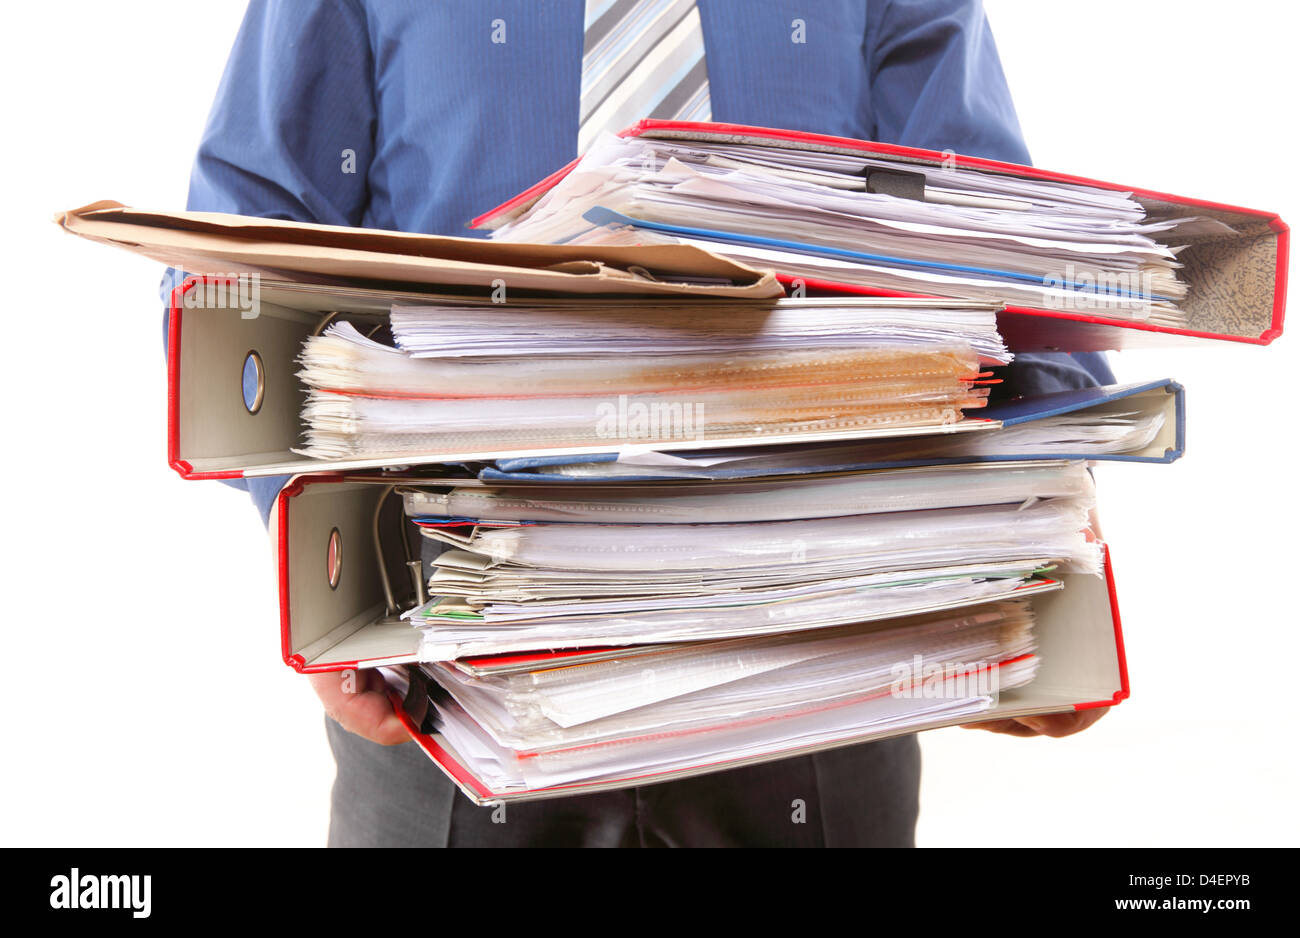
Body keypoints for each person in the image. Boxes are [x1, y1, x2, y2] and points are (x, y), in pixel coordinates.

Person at [170, 0, 1110, 847]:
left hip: (818, 687)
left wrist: (1045, 562)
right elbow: (245, 240)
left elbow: (992, 240)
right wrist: (321, 568)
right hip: (446, 677)